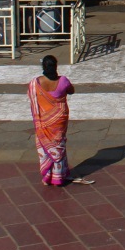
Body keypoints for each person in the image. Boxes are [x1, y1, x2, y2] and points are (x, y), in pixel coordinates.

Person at [27, 55, 93, 186]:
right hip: (59, 121)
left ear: (43, 67)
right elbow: (71, 91)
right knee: (59, 146)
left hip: (43, 122)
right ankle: (59, 176)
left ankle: (48, 176)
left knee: (45, 147)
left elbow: (32, 98)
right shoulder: (63, 81)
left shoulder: (35, 83)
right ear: (56, 66)